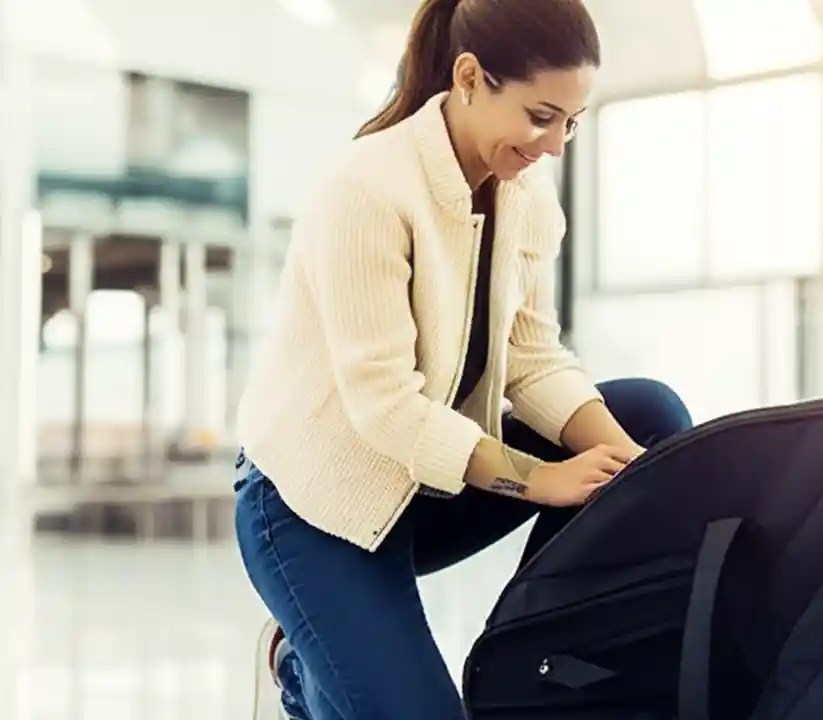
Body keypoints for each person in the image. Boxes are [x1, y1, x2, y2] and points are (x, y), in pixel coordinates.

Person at [230, 0, 693, 717]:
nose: (556, 144)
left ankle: (547, 658)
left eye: (573, 121)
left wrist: (644, 473)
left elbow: (534, 359)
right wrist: (541, 479)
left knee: (648, 416)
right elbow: (385, 409)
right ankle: (303, 666)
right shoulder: (366, 189)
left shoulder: (528, 195)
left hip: (424, 485)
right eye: (541, 116)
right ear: (471, 77)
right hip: (312, 508)